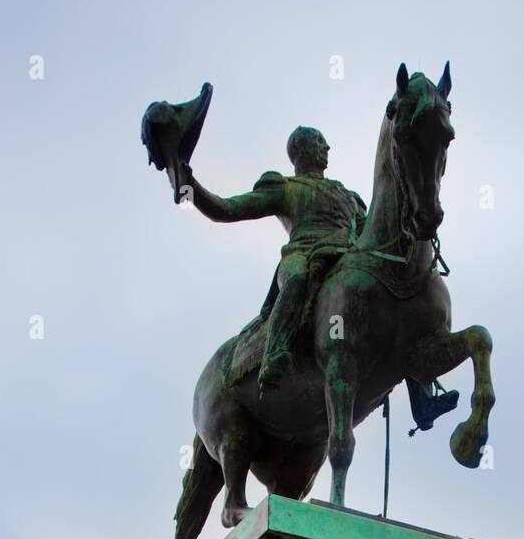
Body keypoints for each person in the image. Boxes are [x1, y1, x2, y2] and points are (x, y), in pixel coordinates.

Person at [178, 128, 459, 428]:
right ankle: (276, 353)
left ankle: (423, 394)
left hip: (349, 257)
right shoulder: (284, 186)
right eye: (318, 142)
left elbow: (371, 229)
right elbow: (227, 209)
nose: (326, 146)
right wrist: (189, 186)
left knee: (398, 296)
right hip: (304, 253)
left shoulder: (347, 195)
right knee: (297, 278)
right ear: (300, 151)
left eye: (324, 142)